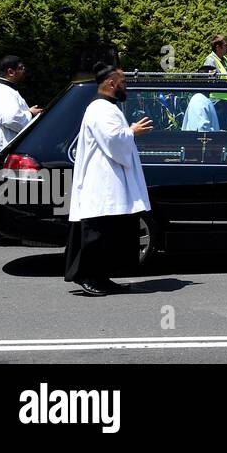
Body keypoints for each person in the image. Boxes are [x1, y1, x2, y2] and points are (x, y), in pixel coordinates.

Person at [64, 63, 153, 297]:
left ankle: (102, 276)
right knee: (97, 234)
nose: (126, 86)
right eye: (123, 82)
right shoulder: (100, 109)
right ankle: (88, 276)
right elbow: (113, 140)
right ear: (111, 83)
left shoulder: (108, 108)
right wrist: (132, 131)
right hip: (101, 184)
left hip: (110, 182)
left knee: (109, 235)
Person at [0, 55, 41, 209]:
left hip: (3, 156)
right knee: (3, 207)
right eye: (21, 68)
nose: (24, 71)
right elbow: (11, 118)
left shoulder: (4, 89)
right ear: (10, 71)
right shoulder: (2, 91)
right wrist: (30, 114)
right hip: (1, 153)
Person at [202, 34, 227, 130]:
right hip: (217, 102)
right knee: (218, 130)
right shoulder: (210, 60)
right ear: (217, 47)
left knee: (225, 129)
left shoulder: (224, 60)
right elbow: (209, 81)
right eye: (225, 45)